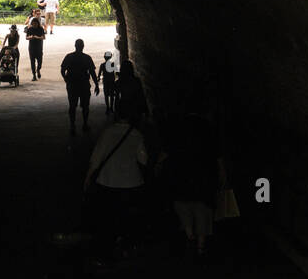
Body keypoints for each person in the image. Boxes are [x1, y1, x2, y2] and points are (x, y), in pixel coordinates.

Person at [83, 101, 148, 258]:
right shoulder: (137, 134)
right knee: (127, 216)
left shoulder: (108, 133)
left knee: (109, 217)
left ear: (117, 114)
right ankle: (125, 246)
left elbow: (96, 159)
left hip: (108, 182)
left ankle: (108, 250)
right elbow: (144, 160)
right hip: (132, 182)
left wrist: (87, 180)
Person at [157, 112, 220, 258]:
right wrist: (222, 176)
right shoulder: (208, 130)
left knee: (183, 206)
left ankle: (189, 235)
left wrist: (158, 165)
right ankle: (201, 245)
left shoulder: (177, 129)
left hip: (182, 177)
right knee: (202, 209)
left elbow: (166, 151)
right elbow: (218, 156)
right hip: (203, 178)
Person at [60, 37, 98, 134]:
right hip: (84, 84)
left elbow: (62, 70)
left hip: (72, 84)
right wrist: (97, 84)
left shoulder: (69, 57)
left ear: (75, 46)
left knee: (72, 106)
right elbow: (92, 73)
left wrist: (66, 79)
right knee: (85, 106)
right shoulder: (87, 58)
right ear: (83, 47)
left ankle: (72, 126)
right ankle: (85, 124)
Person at [24, 8, 45, 81]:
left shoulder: (41, 29)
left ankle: (38, 70)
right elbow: (26, 37)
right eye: (33, 23)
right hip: (31, 48)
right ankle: (34, 75)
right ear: (32, 23)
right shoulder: (29, 29)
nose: (35, 25)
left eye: (36, 23)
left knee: (40, 62)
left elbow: (43, 37)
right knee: (32, 62)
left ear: (38, 23)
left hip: (39, 47)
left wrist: (37, 37)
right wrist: (30, 37)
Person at [99, 50, 119, 116]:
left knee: (106, 95)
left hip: (106, 81)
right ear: (110, 57)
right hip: (112, 81)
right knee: (112, 95)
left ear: (104, 57)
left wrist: (97, 81)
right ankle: (111, 108)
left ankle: (107, 107)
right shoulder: (113, 64)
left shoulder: (102, 65)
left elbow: (99, 75)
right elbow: (117, 73)